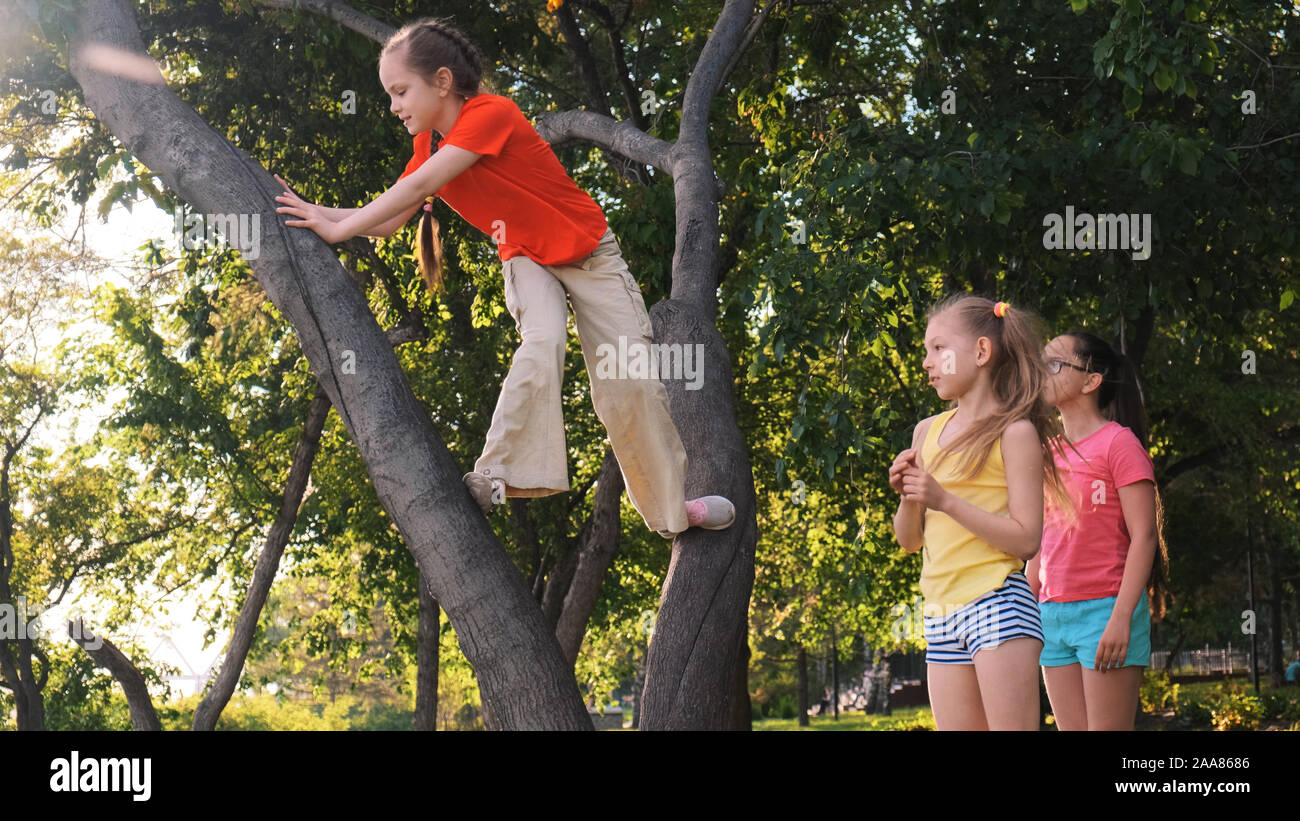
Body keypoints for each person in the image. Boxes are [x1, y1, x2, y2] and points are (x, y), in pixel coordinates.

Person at [272, 17, 733, 539]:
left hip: (589, 256)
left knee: (629, 385)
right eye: (389, 95)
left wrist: (337, 230)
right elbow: (387, 220)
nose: (394, 106)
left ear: (442, 82)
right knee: (542, 342)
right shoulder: (427, 146)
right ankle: (494, 477)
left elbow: (420, 186)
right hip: (525, 257)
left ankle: (674, 515)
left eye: (401, 91)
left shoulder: (490, 114)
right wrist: (318, 214)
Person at [890, 295, 1069, 730]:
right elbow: (909, 540)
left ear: (982, 352)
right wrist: (909, 495)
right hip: (940, 611)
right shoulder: (925, 432)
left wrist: (945, 499)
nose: (926, 363)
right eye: (924, 352)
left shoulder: (1014, 432)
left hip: (998, 603)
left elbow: (1027, 540)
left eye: (938, 349)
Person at [1026, 331, 1171, 731]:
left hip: (1106, 610)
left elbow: (1145, 536)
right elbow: (1039, 541)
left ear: (1092, 381)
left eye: (1054, 364)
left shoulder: (1118, 444)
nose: (1042, 372)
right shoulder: (1045, 453)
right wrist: (1028, 606)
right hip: (1051, 615)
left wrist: (1121, 617)